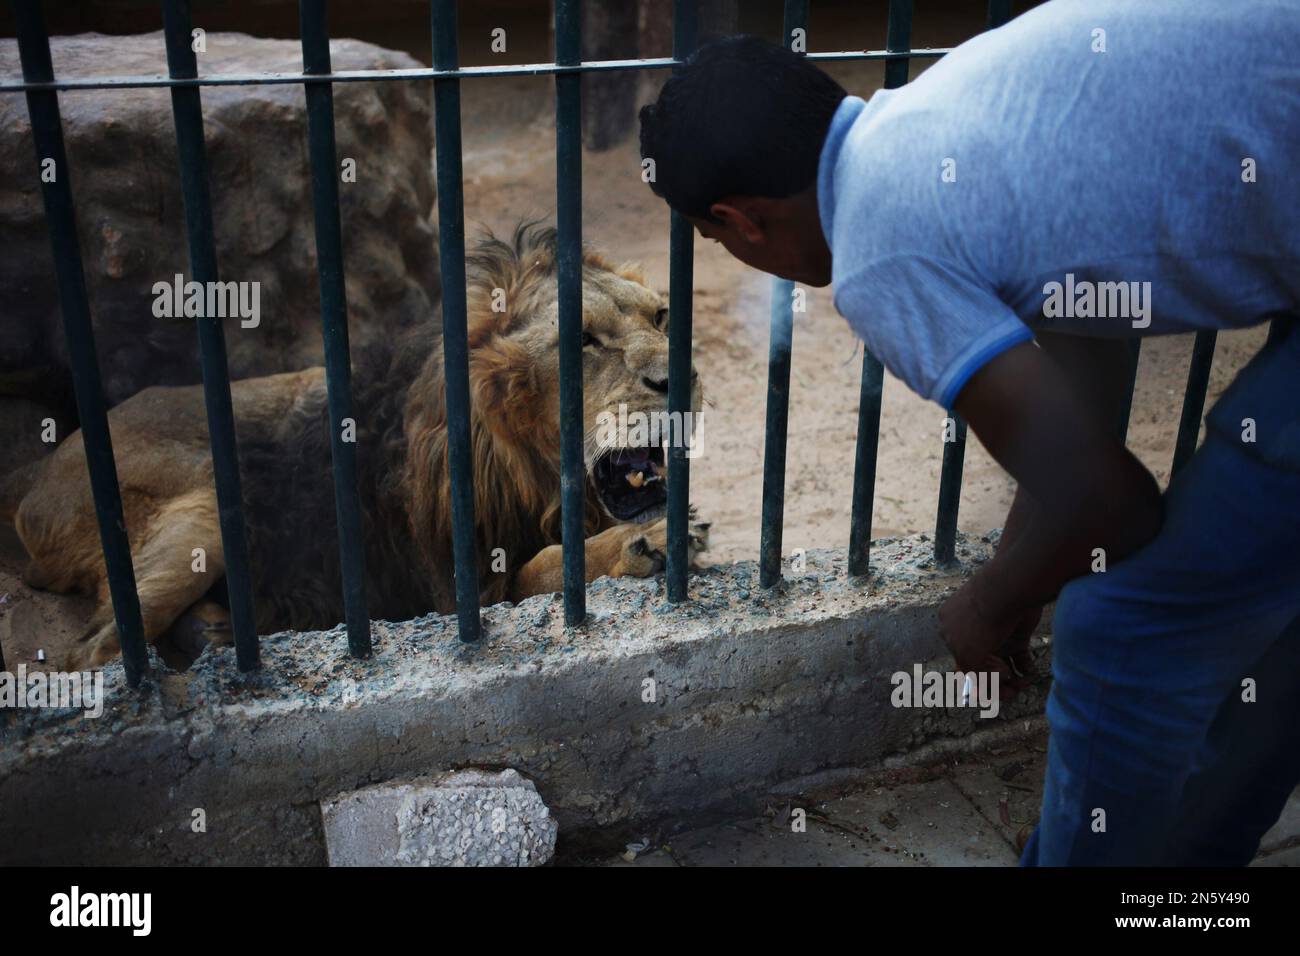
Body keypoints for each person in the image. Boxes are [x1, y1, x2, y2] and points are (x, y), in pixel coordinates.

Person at [637, 0, 1300, 866]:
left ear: (740, 221)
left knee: (1119, 629)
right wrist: (1018, 578)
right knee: (1268, 618)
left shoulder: (877, 249)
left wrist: (987, 604)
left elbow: (1114, 506)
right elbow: (1079, 415)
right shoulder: (935, 114)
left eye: (715, 240)